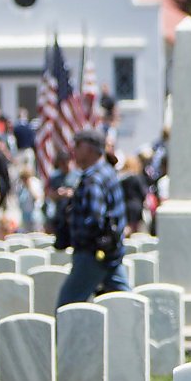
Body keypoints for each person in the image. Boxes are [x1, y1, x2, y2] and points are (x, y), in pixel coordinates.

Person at [54, 128, 128, 304]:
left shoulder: (93, 179)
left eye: (78, 145)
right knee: (125, 301)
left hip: (92, 254)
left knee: (67, 305)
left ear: (89, 148)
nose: (74, 150)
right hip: (110, 251)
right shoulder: (107, 172)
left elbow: (95, 219)